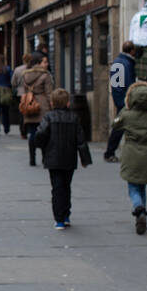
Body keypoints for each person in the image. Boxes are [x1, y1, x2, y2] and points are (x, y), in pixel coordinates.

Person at [104, 81, 147, 234]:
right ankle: (142, 213)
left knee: (133, 187)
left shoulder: (126, 114)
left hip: (130, 153)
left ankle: (138, 207)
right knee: (142, 185)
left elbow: (115, 125)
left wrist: (123, 110)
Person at [33, 88, 87, 229]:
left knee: (57, 188)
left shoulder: (48, 117)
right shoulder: (74, 118)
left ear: (51, 103)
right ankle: (66, 214)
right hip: (69, 158)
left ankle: (59, 219)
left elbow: (40, 134)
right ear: (68, 103)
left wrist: (41, 146)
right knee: (66, 186)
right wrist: (85, 158)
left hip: (53, 158)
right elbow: (81, 140)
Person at [19, 53, 54, 165]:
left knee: (32, 133)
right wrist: (53, 107)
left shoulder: (25, 75)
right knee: (44, 133)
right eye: (44, 62)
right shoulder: (46, 75)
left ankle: (32, 159)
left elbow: (23, 91)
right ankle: (44, 157)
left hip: (29, 104)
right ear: (38, 63)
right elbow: (49, 93)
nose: (47, 64)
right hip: (43, 106)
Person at [105, 40, 137, 161]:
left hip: (118, 96)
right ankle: (110, 152)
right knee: (120, 126)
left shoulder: (117, 62)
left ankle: (110, 151)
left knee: (120, 125)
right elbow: (129, 84)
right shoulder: (127, 63)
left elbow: (114, 83)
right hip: (125, 98)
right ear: (132, 50)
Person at [11, 53, 33, 137]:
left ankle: (23, 131)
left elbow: (13, 82)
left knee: (22, 112)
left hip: (20, 93)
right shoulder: (32, 69)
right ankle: (30, 129)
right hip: (31, 93)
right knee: (31, 111)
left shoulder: (18, 69)